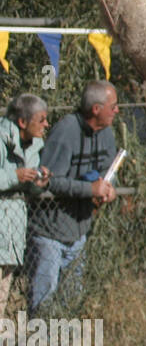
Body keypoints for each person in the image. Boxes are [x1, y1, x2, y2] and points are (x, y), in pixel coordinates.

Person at [27, 81, 119, 312]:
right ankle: (38, 344)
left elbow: (109, 171)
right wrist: (89, 190)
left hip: (79, 233)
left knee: (72, 302)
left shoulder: (106, 134)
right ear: (96, 109)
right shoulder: (65, 131)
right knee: (43, 301)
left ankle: (65, 345)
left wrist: (109, 188)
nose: (117, 111)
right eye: (113, 106)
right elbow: (50, 181)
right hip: (49, 233)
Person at [1, 94, 50, 313]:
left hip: (12, 232)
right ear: (22, 122)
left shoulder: (34, 146)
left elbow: (26, 185)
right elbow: (14, 178)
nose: (46, 124)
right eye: (41, 120)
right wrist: (15, 176)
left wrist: (39, 182)